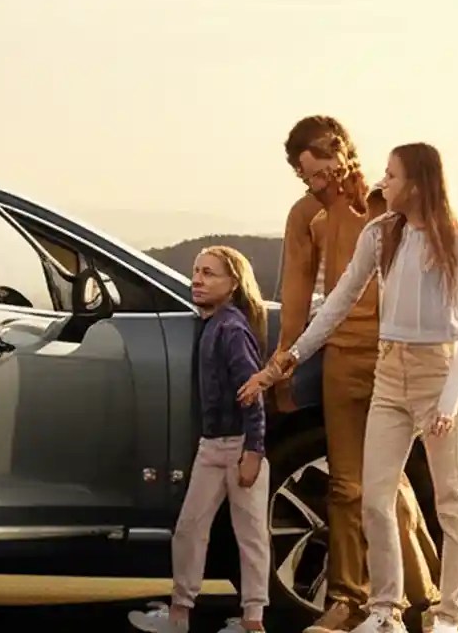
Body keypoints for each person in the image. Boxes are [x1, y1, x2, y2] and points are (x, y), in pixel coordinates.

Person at [240, 143, 458, 633]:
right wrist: (291, 356)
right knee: (373, 497)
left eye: (392, 176)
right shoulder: (380, 235)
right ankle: (384, 610)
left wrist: (451, 397)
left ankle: (449, 617)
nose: (383, 183)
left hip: (440, 371)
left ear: (417, 183)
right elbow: (337, 302)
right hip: (390, 372)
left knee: (452, 501)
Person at [273, 117, 440, 633]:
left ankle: (425, 597)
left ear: (336, 150)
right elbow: (298, 290)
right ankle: (348, 599)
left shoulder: (385, 201)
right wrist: (285, 359)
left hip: (396, 355)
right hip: (341, 356)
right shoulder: (305, 215)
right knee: (347, 486)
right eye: (305, 178)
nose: (312, 183)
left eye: (315, 172)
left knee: (387, 486)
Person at [128, 246, 271, 633]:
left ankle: (253, 620)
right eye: (196, 272)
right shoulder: (210, 325)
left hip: (238, 444)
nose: (197, 280)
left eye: (209, 274)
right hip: (212, 447)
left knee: (251, 534)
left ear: (233, 284)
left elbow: (251, 391)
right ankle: (179, 612)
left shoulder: (231, 329)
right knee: (190, 528)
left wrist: (254, 450)